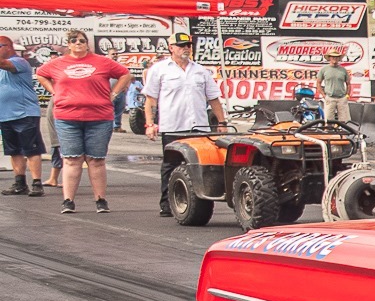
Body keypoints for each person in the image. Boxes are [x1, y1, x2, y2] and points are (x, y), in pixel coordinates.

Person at [35, 29, 129, 214]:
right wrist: (53, 91)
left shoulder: (103, 62)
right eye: (73, 40)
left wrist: (114, 93)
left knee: (96, 160)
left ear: (87, 44)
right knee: (71, 159)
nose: (78, 43)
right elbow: (40, 74)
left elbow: (125, 74)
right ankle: (68, 201)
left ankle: (101, 200)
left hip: (99, 117)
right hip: (67, 118)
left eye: (81, 40)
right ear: (68, 44)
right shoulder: (57, 64)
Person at [142, 32, 226, 216]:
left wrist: (222, 122)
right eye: (181, 45)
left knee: (200, 165)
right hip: (173, 127)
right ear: (171, 48)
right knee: (170, 167)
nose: (186, 48)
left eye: (188, 45)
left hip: (199, 128)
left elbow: (213, 99)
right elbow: (150, 99)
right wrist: (149, 123)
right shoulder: (160, 69)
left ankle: (199, 204)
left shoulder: (201, 71)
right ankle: (167, 204)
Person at [0, 34, 46, 196]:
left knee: (31, 149)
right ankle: (19, 182)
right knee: (13, 151)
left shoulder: (19, 62)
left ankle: (37, 183)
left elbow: (3, 63)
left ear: (9, 47)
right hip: (5, 115)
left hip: (24, 113)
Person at [315, 48, 351, 121]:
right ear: (329, 58)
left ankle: (343, 132)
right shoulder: (324, 69)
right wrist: (324, 95)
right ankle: (329, 131)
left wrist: (347, 95)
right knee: (328, 120)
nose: (335, 58)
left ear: (339, 58)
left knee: (344, 121)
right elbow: (318, 83)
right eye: (333, 57)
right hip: (330, 98)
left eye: (337, 57)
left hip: (342, 98)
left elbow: (348, 84)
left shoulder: (343, 70)